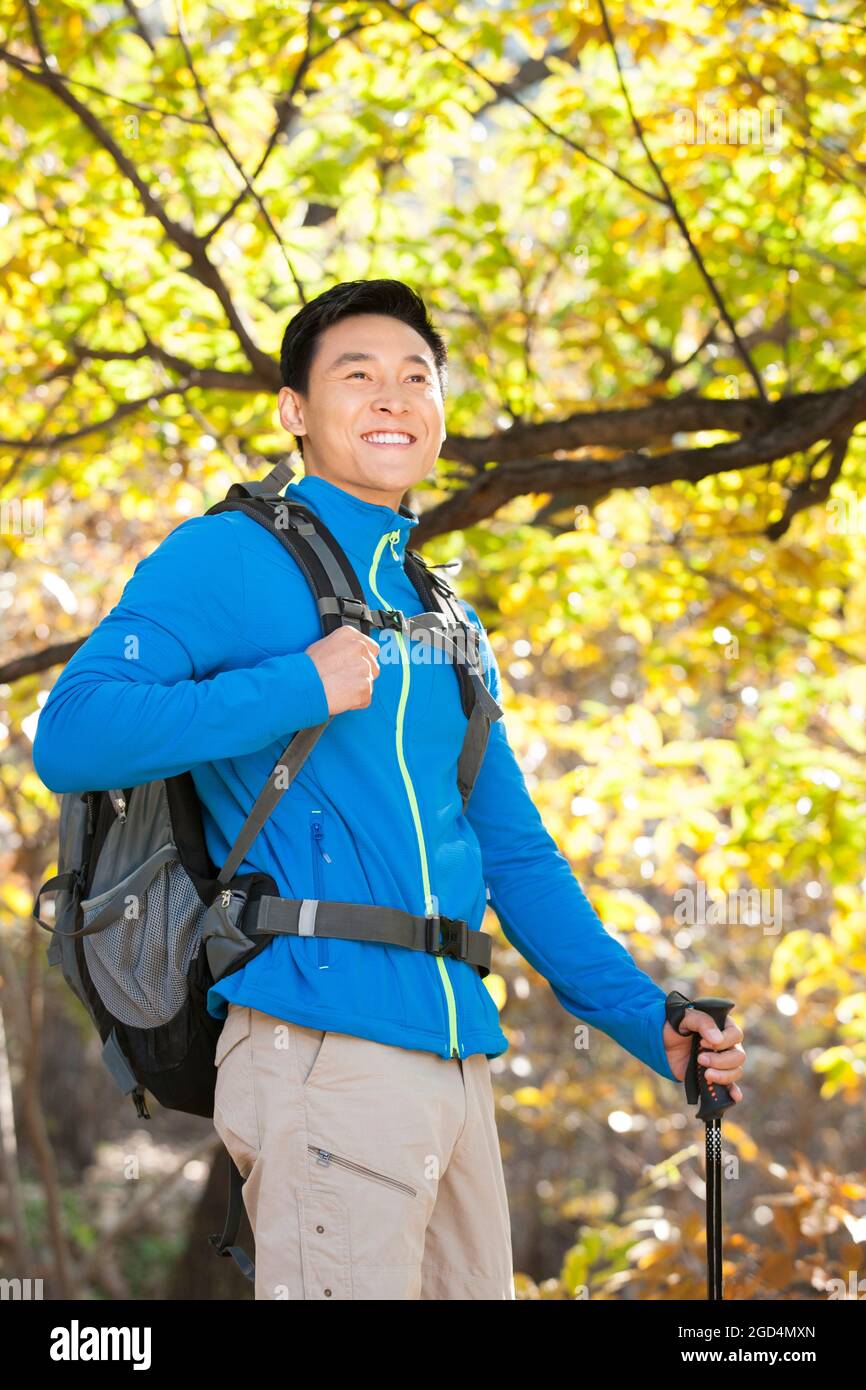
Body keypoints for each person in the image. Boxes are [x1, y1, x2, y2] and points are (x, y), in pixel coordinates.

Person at [33, 279, 745, 1301]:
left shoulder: (440, 610)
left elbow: (511, 853)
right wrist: (297, 684)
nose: (391, 396)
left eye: (415, 376)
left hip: (453, 1064)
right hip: (321, 1044)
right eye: (355, 375)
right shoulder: (231, 555)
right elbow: (74, 733)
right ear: (295, 412)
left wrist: (647, 1020)